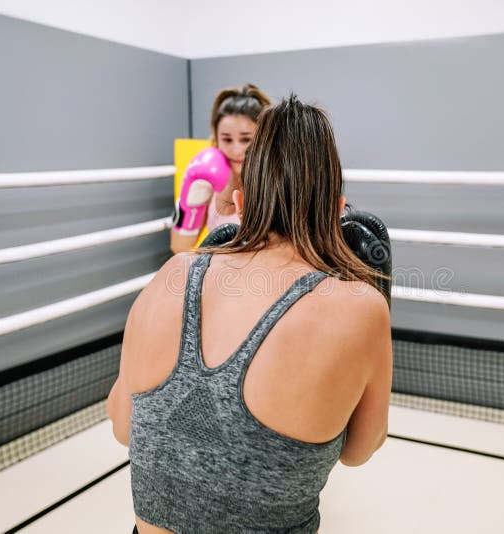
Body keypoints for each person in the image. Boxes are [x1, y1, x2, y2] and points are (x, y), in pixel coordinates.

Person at [108, 95, 392, 534]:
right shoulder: (361, 308)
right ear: (338, 210)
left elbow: (124, 429)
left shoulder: (172, 273)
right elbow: (359, 450)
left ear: (239, 205)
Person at [170, 83, 271, 254]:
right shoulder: (207, 180)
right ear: (216, 138)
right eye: (227, 139)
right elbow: (180, 249)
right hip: (217, 277)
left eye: (246, 140)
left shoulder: (274, 186)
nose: (236, 150)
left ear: (263, 138)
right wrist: (190, 199)